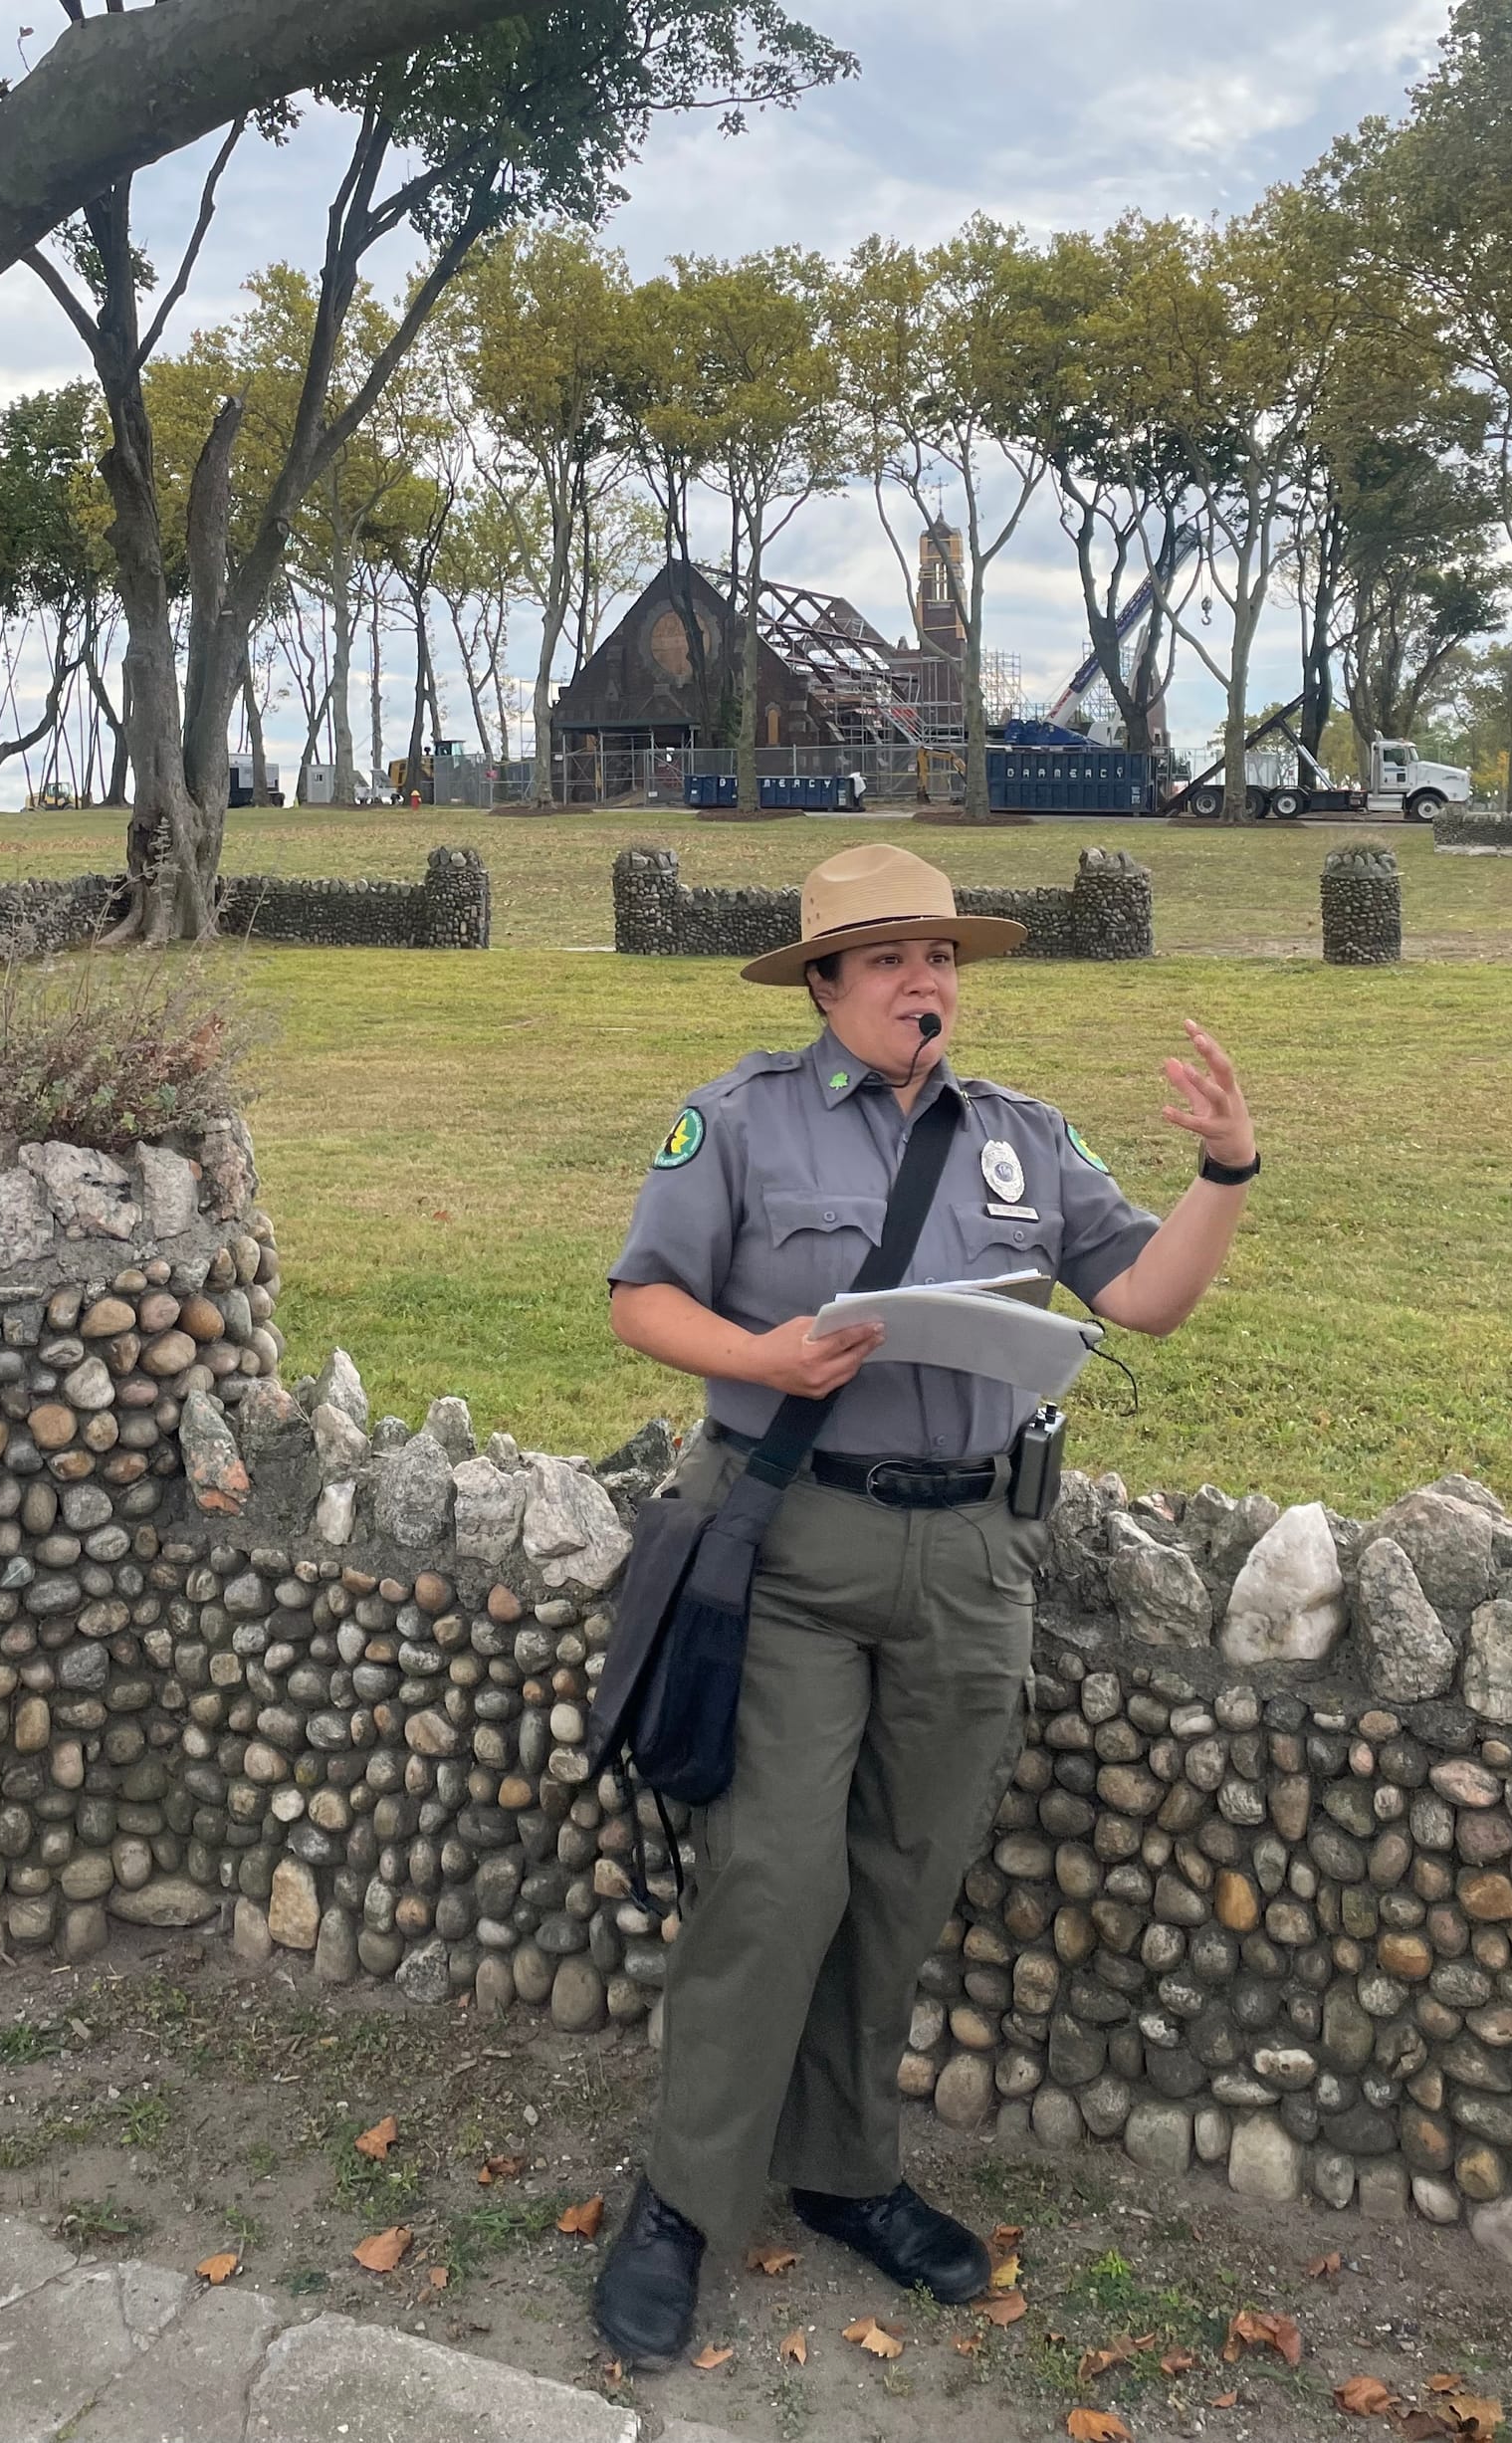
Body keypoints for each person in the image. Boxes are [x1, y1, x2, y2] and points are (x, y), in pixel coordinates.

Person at [594, 841, 1258, 2366]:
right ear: (824, 984)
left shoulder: (1021, 1138)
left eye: (943, 956)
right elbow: (642, 1296)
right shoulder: (744, 1121)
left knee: (906, 1873)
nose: (925, 981)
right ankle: (683, 2201)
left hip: (972, 1566)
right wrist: (765, 1359)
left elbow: (1142, 1294)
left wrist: (1224, 1173)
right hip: (796, 1554)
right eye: (890, 958)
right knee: (774, 1878)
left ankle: (842, 2170)